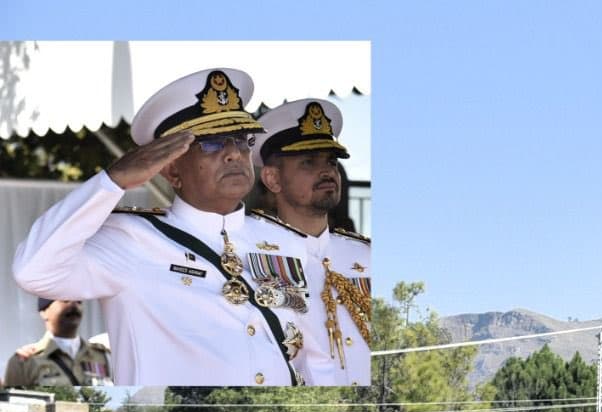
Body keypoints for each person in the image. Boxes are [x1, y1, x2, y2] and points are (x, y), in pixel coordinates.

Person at [12, 67, 310, 386]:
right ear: (170, 168)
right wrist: (111, 182)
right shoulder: (130, 238)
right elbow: (33, 271)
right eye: (211, 143)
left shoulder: (283, 241)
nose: (234, 153)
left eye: (241, 139)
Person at [252, 98, 371, 385]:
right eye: (308, 162)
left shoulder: (366, 255)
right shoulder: (247, 251)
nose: (327, 171)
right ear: (272, 179)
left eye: (331, 161)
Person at [5, 298, 114, 388]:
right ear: (44, 312)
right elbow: (14, 409)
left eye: (79, 301)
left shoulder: (102, 356)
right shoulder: (24, 362)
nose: (73, 304)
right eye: (65, 300)